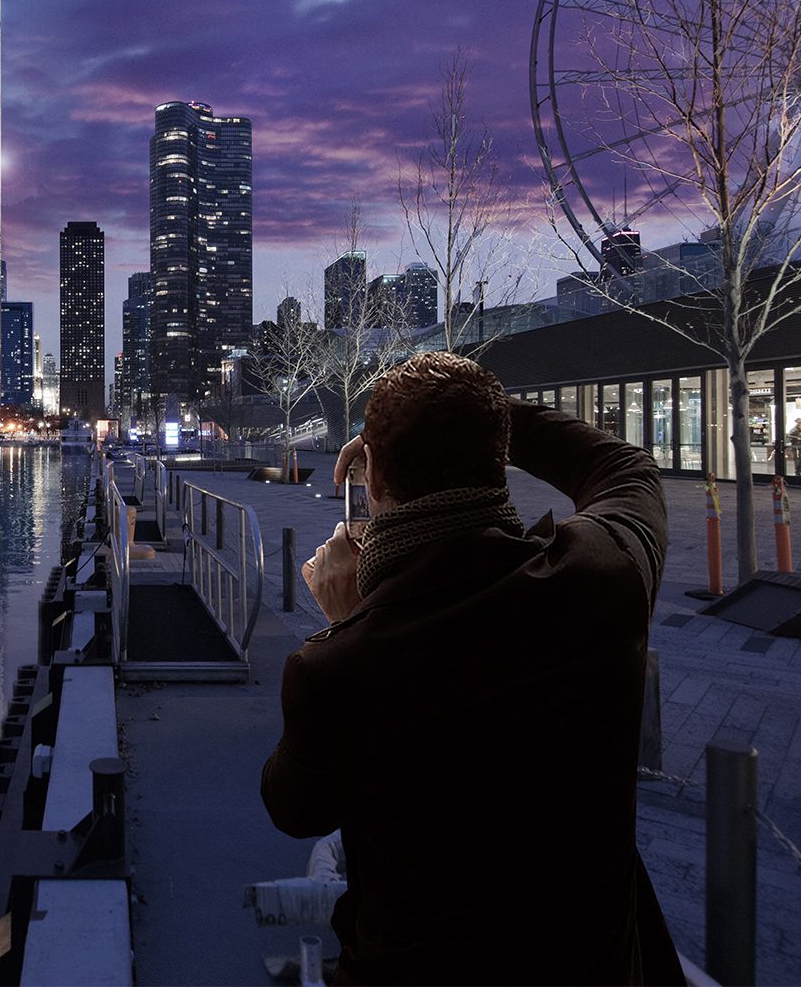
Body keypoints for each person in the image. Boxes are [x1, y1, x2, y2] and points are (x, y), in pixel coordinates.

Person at [261, 352, 683, 985]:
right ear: (498, 460)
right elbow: (622, 465)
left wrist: (346, 622)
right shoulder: (603, 576)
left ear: (373, 484)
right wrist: (487, 417)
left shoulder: (338, 669)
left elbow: (294, 805)